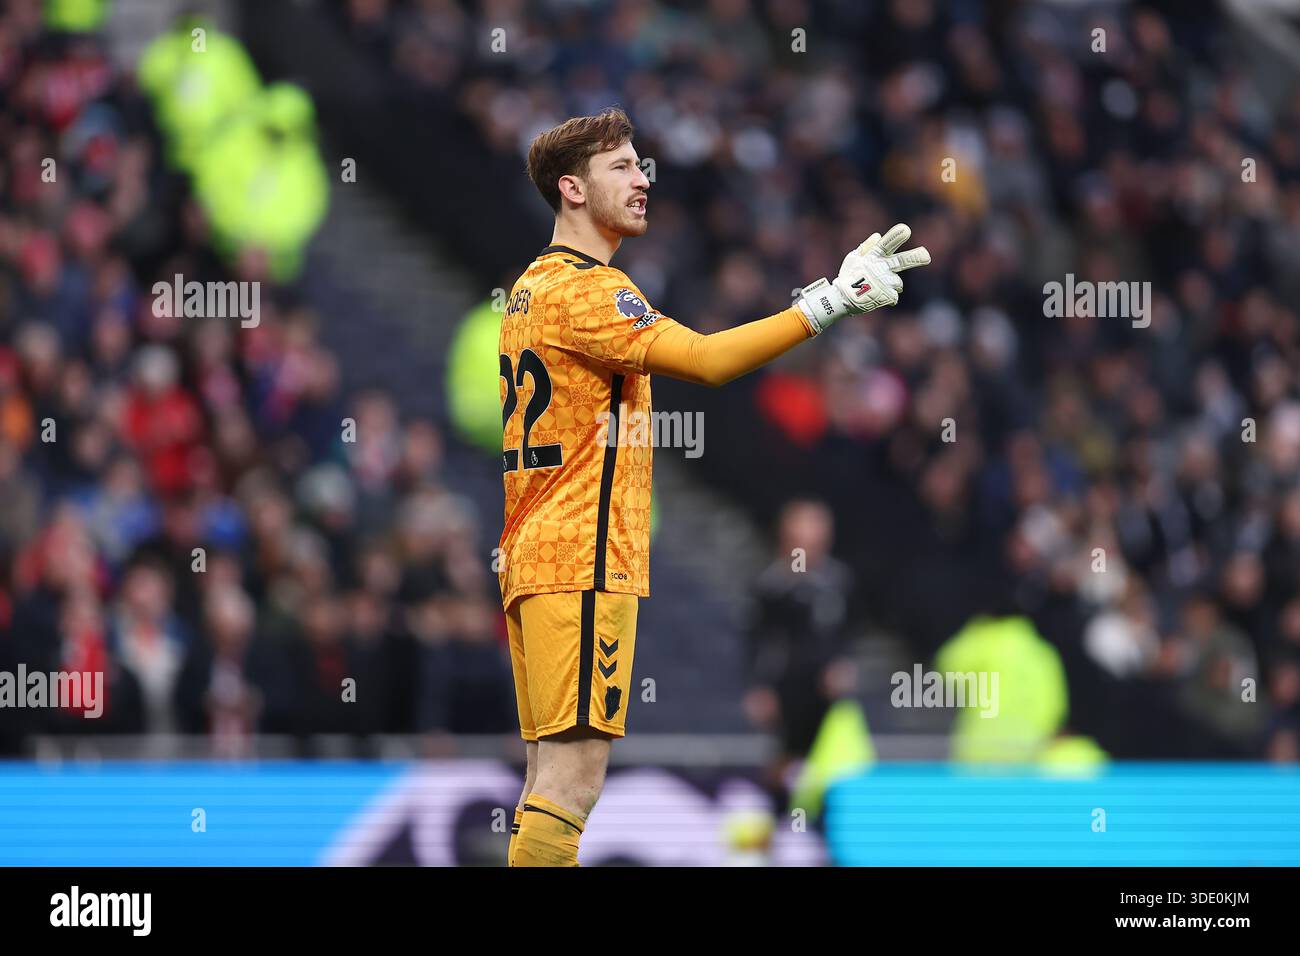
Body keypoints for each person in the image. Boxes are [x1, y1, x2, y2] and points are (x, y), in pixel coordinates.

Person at [498, 107, 930, 866]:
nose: (642, 180)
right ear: (571, 189)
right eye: (622, 168)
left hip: (536, 557)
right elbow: (707, 360)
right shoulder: (589, 290)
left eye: (641, 164)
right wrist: (827, 301)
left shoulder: (530, 291)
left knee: (547, 781)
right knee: (571, 785)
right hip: (582, 563)